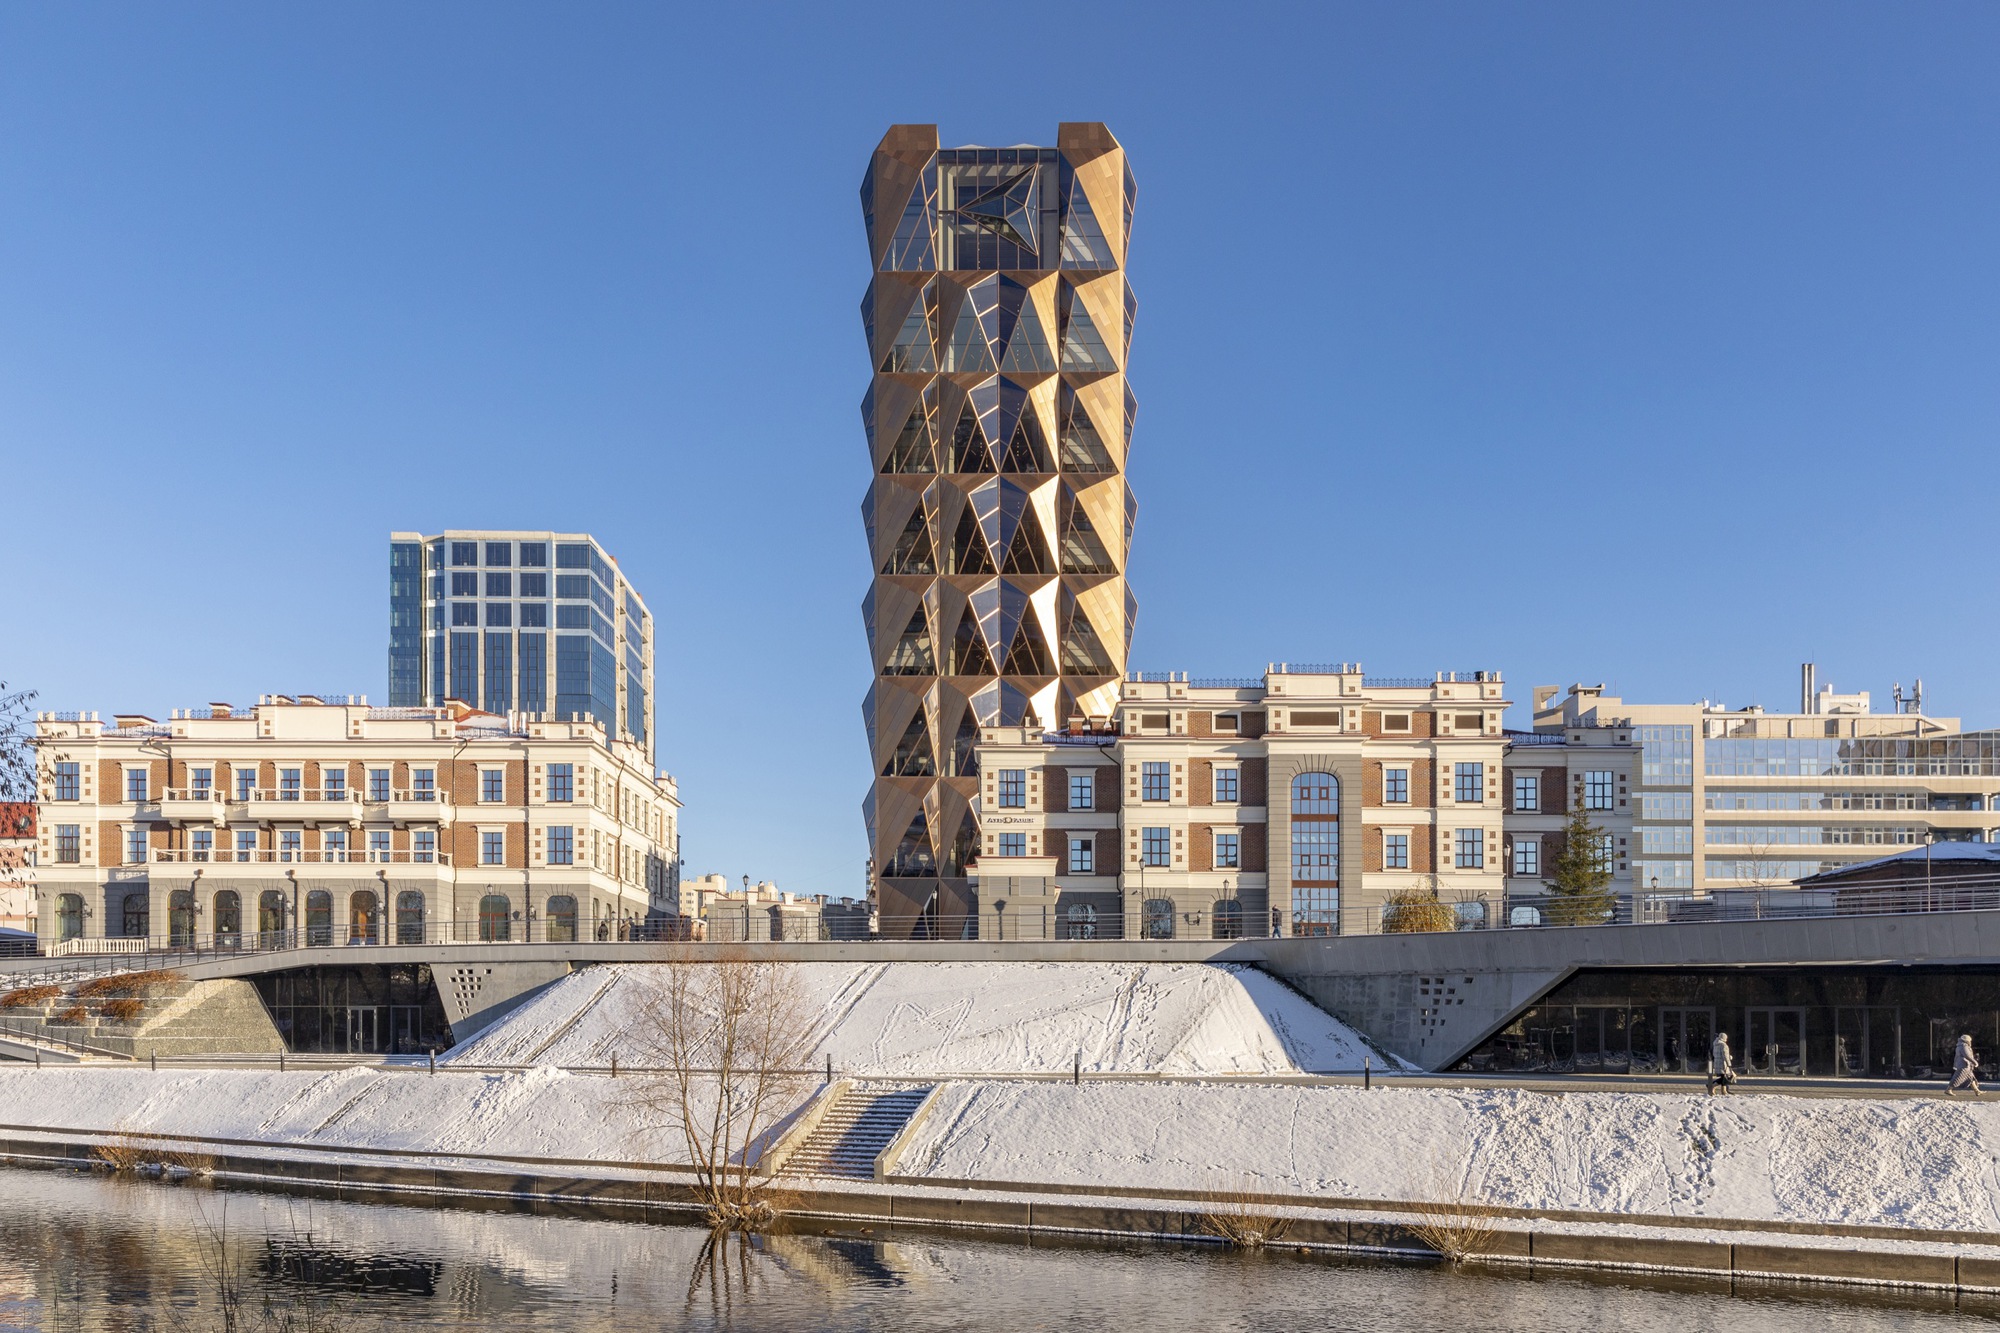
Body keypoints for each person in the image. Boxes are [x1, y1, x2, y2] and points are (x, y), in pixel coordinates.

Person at [1707, 1032, 1735, 1096]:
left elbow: (1714, 1054)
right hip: (1723, 1064)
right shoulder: (1724, 1045)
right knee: (1724, 1078)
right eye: (1726, 1038)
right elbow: (1725, 1056)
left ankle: (1724, 1091)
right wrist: (1729, 1063)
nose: (1727, 1039)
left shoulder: (1715, 1044)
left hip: (1717, 1063)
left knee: (1723, 1077)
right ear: (1724, 1038)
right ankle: (1712, 1086)